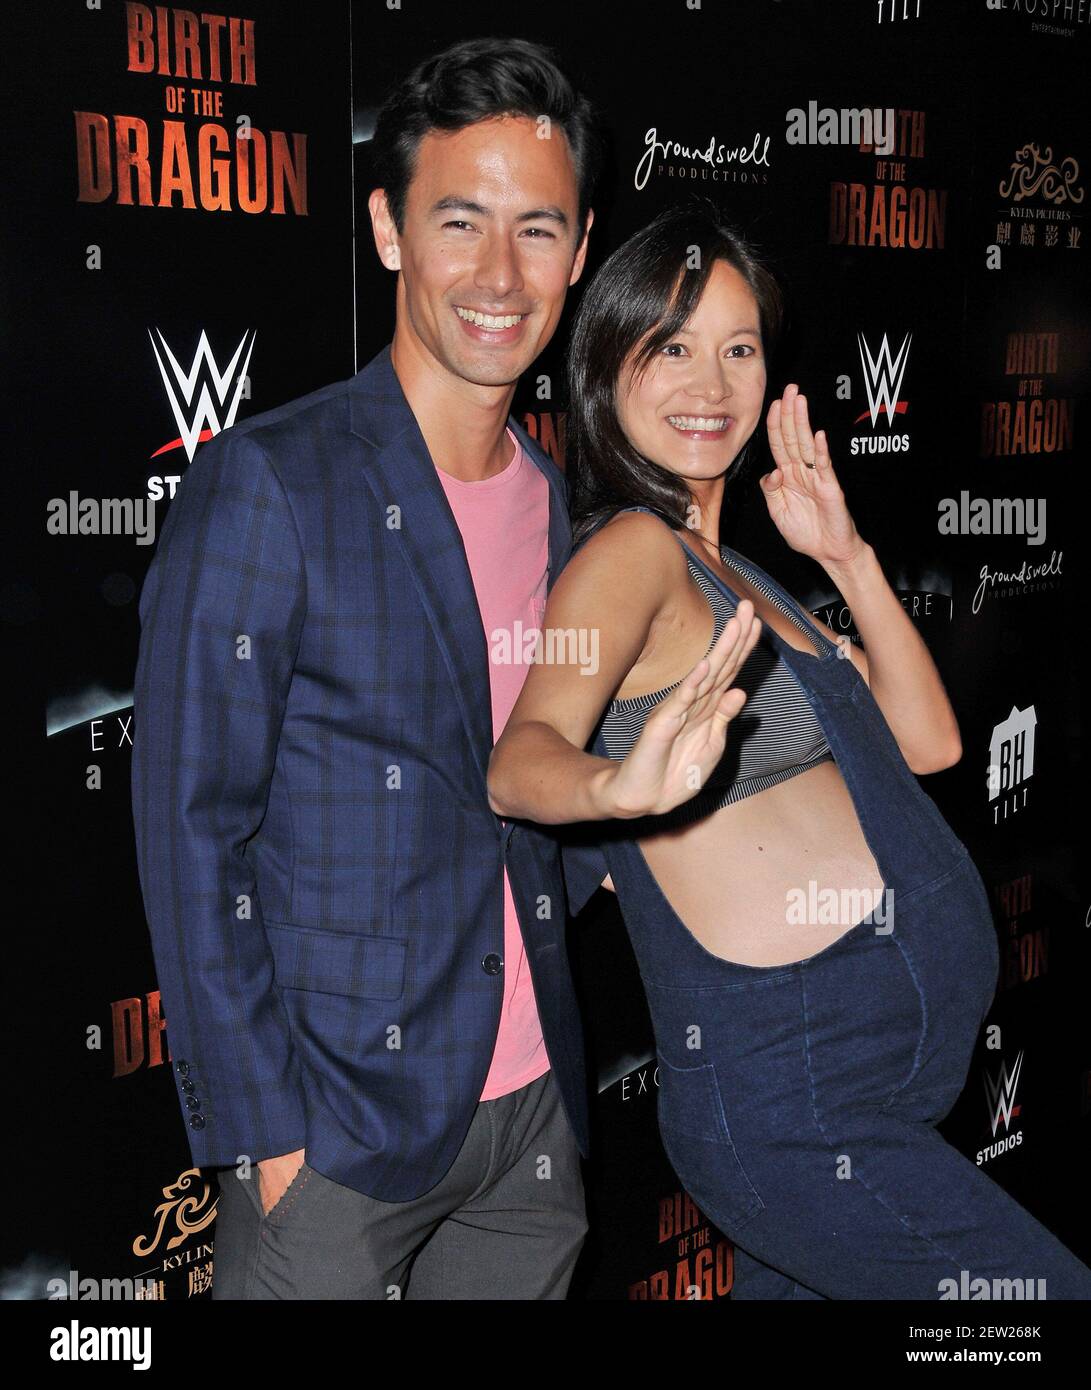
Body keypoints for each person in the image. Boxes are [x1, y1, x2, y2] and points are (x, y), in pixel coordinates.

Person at [488, 198, 1091, 1299]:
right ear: (604, 362)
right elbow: (520, 756)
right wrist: (619, 783)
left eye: (736, 348)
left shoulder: (744, 575)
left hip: (858, 1093)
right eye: (669, 346)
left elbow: (927, 740)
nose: (708, 384)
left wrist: (847, 553)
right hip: (795, 1100)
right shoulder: (632, 553)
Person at [131, 36, 612, 1300]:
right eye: (460, 221)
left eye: (538, 229)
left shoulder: (560, 505)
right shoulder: (271, 483)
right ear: (389, 230)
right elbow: (191, 827)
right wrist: (269, 1133)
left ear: (580, 247)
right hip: (337, 1133)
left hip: (532, 1122)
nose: (499, 275)